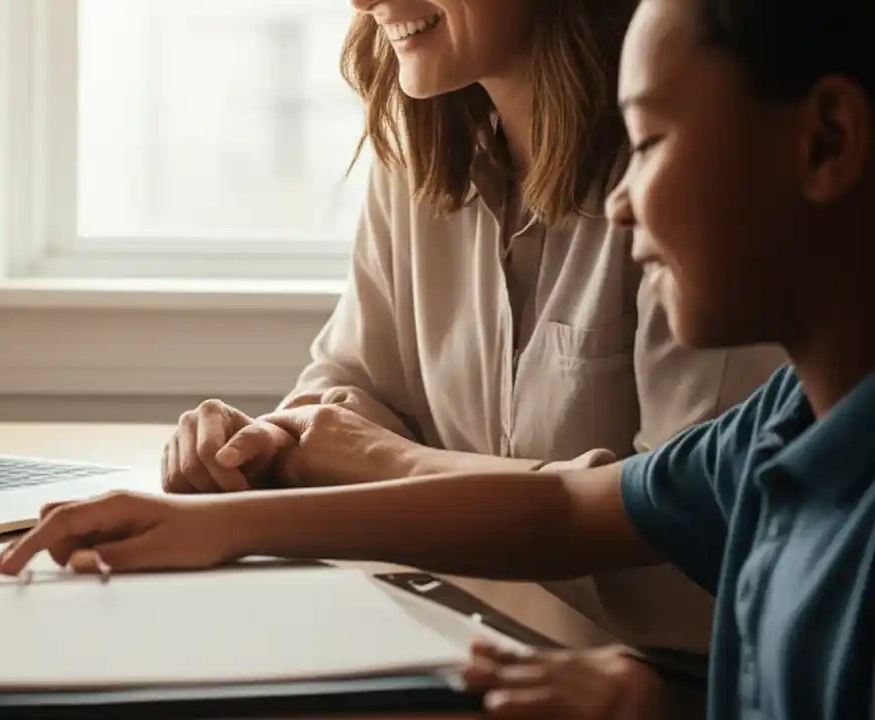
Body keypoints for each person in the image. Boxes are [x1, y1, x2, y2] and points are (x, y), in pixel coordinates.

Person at [0, 0, 875, 716]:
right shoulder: (775, 431)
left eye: (647, 146)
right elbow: (558, 504)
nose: (621, 206)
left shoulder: (815, 465)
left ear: (828, 142)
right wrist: (234, 507)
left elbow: (685, 575)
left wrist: (372, 461)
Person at [163, 0, 782, 651]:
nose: (364, 2)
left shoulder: (684, 178)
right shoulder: (422, 153)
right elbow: (357, 382)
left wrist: (368, 463)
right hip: (465, 648)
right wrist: (272, 446)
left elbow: (685, 529)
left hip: (670, 687)